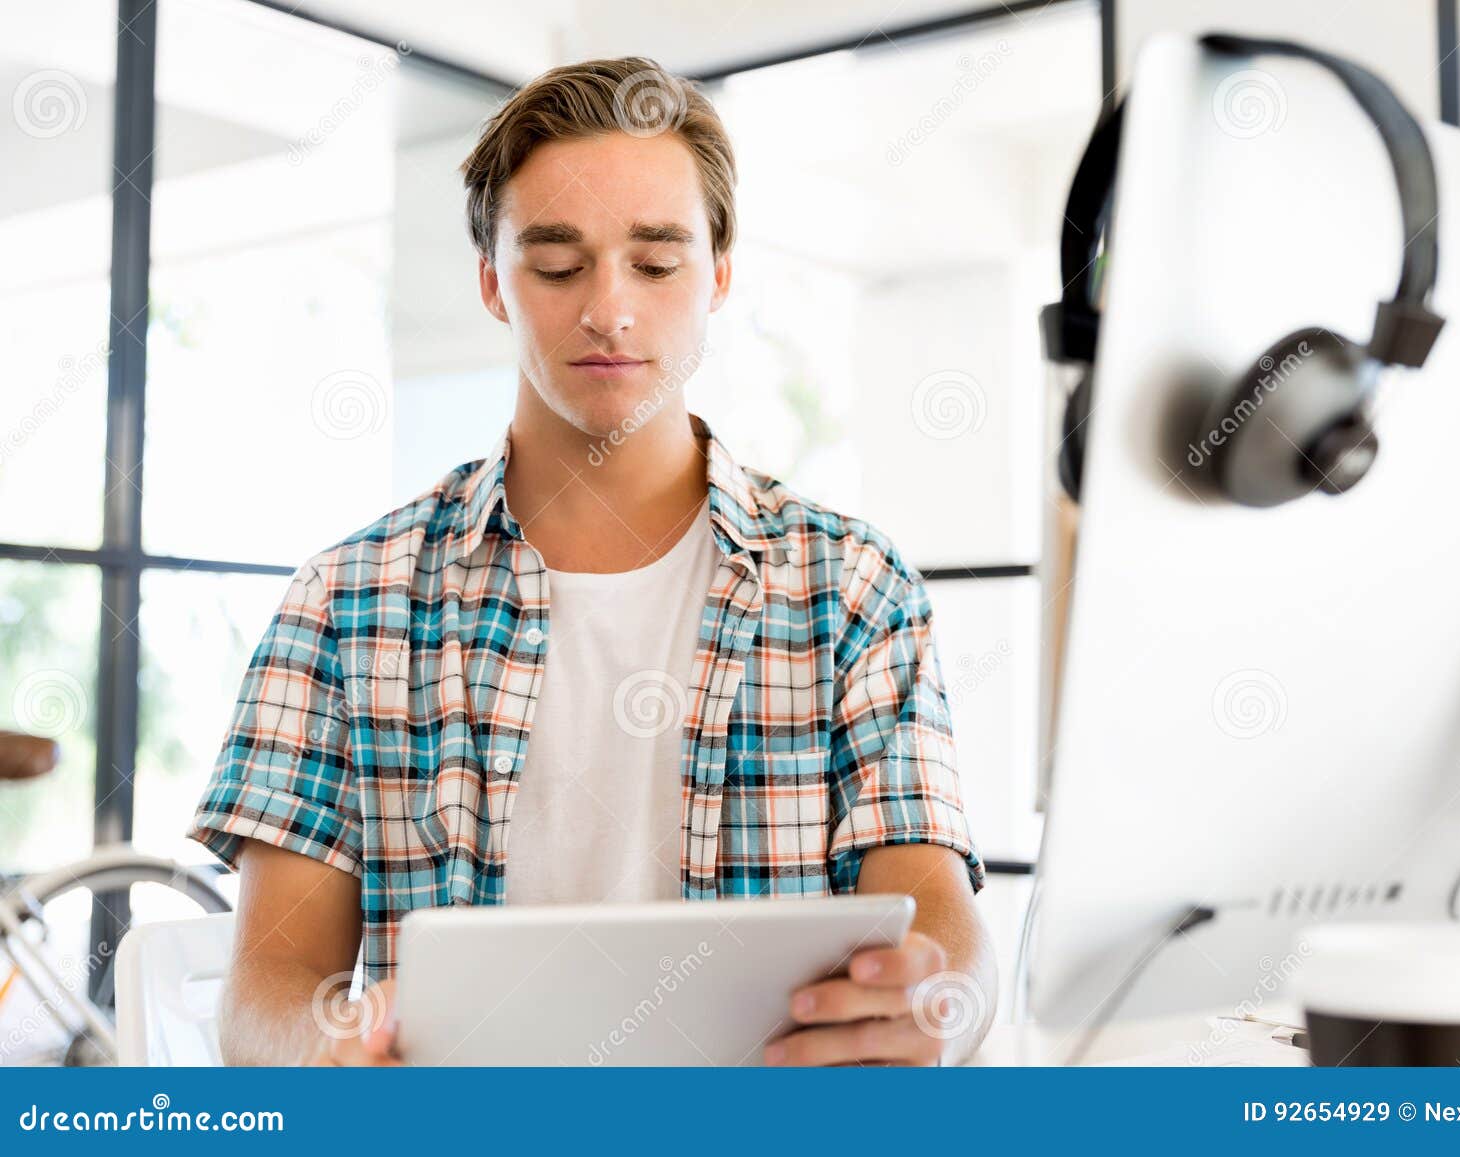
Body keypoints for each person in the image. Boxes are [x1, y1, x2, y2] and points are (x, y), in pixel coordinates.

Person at [189, 56, 994, 1068]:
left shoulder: (853, 588)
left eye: (655, 264)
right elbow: (265, 990)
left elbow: (940, 921)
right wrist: (328, 1053)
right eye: (558, 266)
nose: (609, 309)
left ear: (719, 273)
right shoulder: (346, 601)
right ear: (493, 281)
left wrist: (939, 1000)